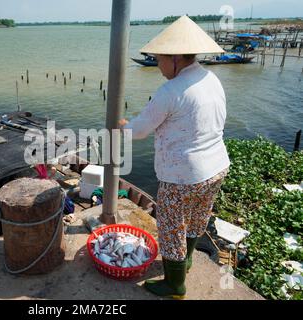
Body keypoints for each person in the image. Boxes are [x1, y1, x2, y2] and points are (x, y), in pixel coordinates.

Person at [119, 15, 231, 299]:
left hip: (182, 175)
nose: (157, 65)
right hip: (216, 167)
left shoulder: (170, 91)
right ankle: (188, 260)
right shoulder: (211, 78)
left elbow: (141, 130)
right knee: (196, 218)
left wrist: (122, 126)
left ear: (176, 58)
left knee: (171, 228)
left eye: (159, 59)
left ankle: (174, 285)